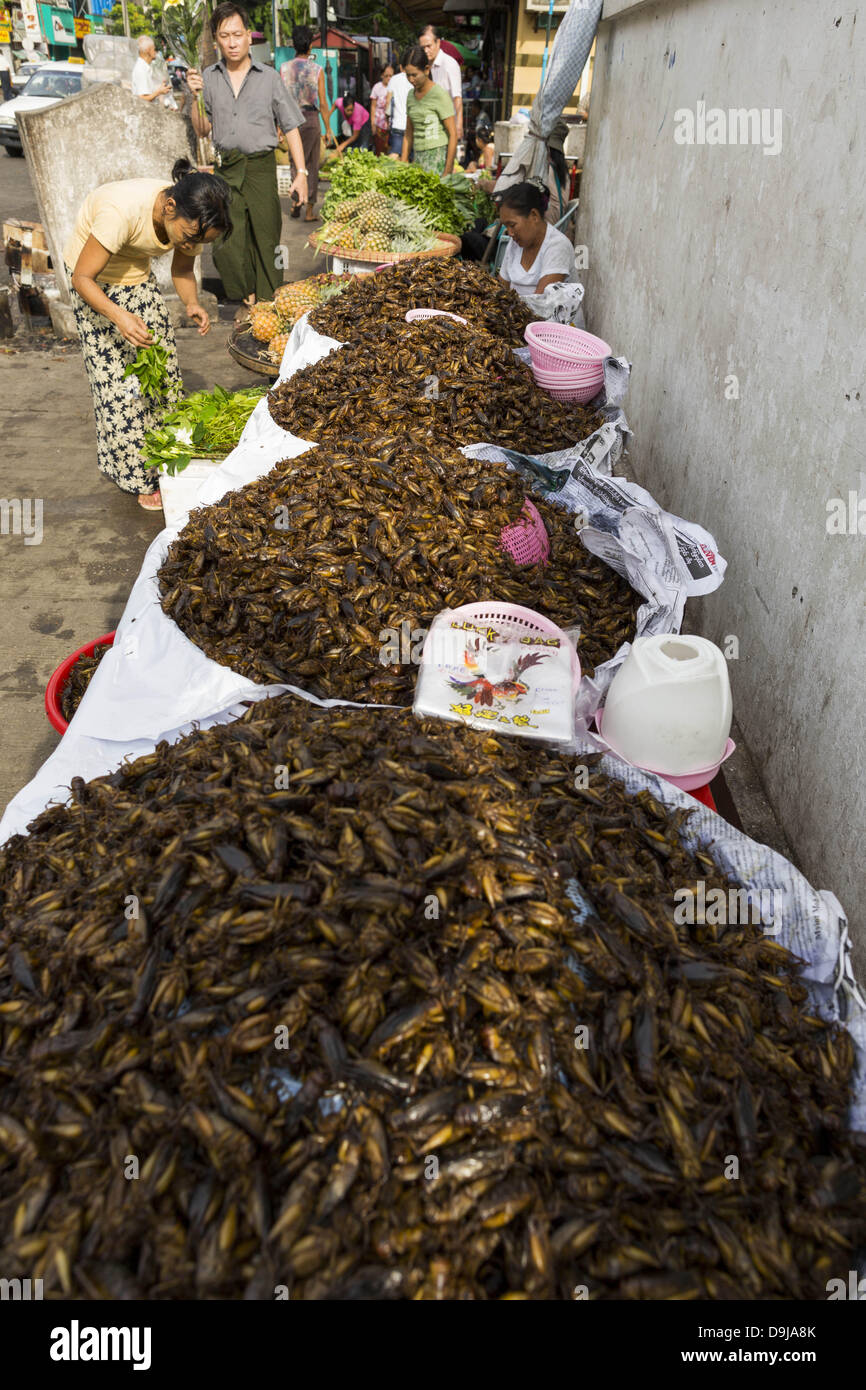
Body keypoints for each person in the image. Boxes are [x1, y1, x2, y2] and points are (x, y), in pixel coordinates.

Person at [64, 160, 231, 511]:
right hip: (92, 280)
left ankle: (165, 456)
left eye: (199, 241)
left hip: (135, 275)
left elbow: (183, 267)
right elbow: (82, 278)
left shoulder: (194, 218)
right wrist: (119, 317)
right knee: (120, 387)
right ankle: (138, 476)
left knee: (163, 376)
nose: (191, 244)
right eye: (188, 237)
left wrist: (192, 303)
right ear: (169, 208)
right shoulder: (121, 212)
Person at [186, 2, 307, 312]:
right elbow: (202, 130)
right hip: (226, 169)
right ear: (216, 40)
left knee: (268, 240)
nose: (232, 42)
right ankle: (246, 294)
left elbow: (291, 126)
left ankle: (270, 301)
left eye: (237, 34)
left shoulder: (269, 78)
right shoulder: (208, 77)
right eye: (224, 36)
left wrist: (302, 174)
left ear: (249, 37)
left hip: (260, 168)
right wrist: (194, 97)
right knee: (227, 243)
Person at [280, 25, 334, 224]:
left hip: (290, 119)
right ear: (310, 45)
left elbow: (280, 100)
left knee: (295, 161)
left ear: (293, 44)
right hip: (311, 120)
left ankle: (296, 201)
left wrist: (278, 126)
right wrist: (328, 128)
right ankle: (309, 210)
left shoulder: (284, 68)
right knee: (311, 163)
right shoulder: (316, 69)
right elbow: (322, 100)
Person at [497, 180, 578, 300]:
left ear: (534, 215)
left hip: (549, 318)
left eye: (512, 225)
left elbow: (541, 304)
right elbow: (500, 288)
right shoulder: (514, 244)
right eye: (506, 226)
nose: (510, 233)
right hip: (521, 316)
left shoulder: (557, 246)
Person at [401, 45, 456, 177]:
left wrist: (447, 172)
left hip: (438, 158)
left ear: (426, 69)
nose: (411, 79)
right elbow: (408, 133)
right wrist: (403, 163)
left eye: (414, 75)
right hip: (418, 157)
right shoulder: (410, 95)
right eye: (408, 75)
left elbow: (453, 135)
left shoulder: (439, 94)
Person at [419, 25, 462, 140]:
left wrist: (458, 125)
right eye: (422, 47)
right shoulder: (425, 65)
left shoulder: (449, 64)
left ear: (438, 43)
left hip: (447, 124)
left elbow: (457, 97)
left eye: (429, 46)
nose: (426, 51)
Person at [132, 36, 175, 108]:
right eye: (154, 49)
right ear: (148, 50)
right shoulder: (141, 69)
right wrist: (159, 92)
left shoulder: (145, 67)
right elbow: (141, 99)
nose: (156, 52)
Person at [387, 60, 411, 157]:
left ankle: (385, 171)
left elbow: (388, 102)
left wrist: (387, 118)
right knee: (411, 157)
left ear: (401, 67)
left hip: (397, 124)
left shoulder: (394, 79)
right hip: (411, 125)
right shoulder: (415, 79)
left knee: (395, 153)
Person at [369, 62, 393, 156]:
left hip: (391, 124)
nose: (389, 78)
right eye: (386, 76)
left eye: (391, 76)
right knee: (379, 150)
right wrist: (372, 124)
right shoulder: (377, 87)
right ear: (382, 75)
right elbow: (373, 106)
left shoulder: (395, 86)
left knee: (390, 150)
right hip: (379, 124)